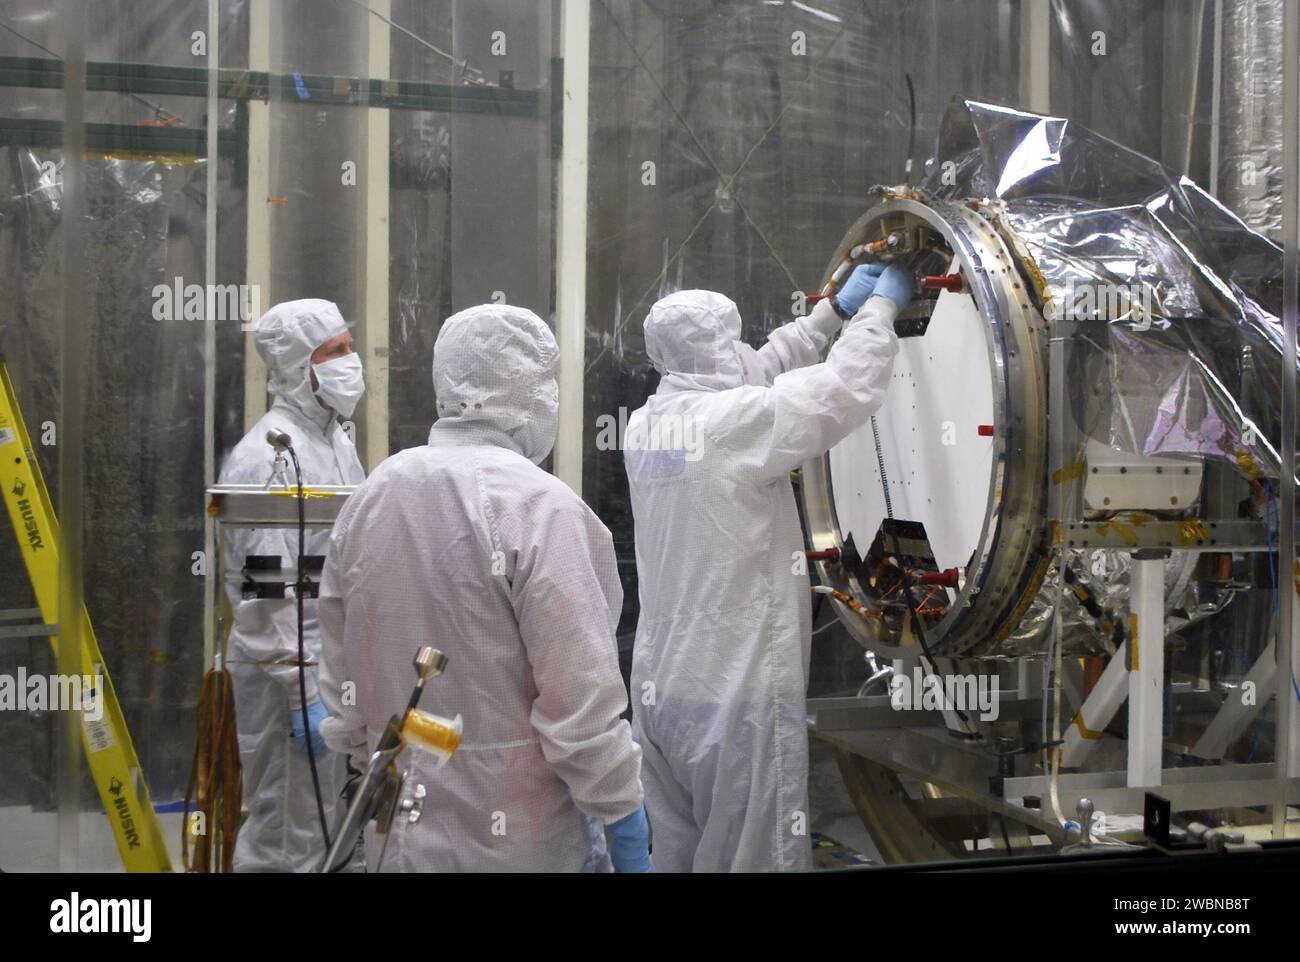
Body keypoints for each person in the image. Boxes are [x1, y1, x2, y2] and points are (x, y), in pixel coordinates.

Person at [318, 303, 651, 873]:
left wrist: (358, 747)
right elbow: (581, 704)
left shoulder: (374, 494)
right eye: (547, 382)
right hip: (515, 840)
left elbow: (340, 659)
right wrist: (622, 813)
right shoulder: (541, 508)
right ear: (527, 390)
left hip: (396, 833)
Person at [625, 263, 913, 872]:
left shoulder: (652, 424)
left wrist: (827, 316)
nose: (740, 352)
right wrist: (879, 312)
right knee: (756, 858)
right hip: (737, 692)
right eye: (729, 341)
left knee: (679, 852)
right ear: (716, 352)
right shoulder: (732, 424)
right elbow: (841, 390)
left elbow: (753, 373)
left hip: (664, 689)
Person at [218, 298, 367, 872]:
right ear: (297, 367)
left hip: (325, 663)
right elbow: (263, 592)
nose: (349, 362)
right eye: (335, 351)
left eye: (350, 347)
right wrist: (300, 688)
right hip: (286, 675)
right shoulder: (268, 456)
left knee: (330, 828)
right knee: (287, 834)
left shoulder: (333, 440)